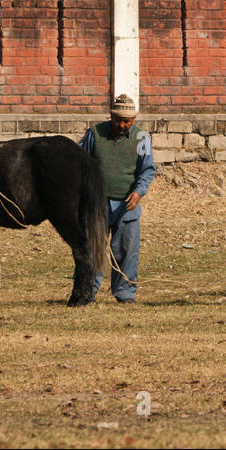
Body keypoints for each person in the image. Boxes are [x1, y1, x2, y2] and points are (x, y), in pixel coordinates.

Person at [80, 94, 156, 304]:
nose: (121, 125)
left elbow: (147, 170)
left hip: (127, 206)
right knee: (93, 250)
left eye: (126, 121)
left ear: (133, 121)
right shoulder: (94, 134)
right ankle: (87, 292)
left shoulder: (142, 139)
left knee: (126, 251)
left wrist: (138, 192)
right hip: (97, 205)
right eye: (117, 120)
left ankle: (125, 294)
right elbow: (80, 162)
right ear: (110, 116)